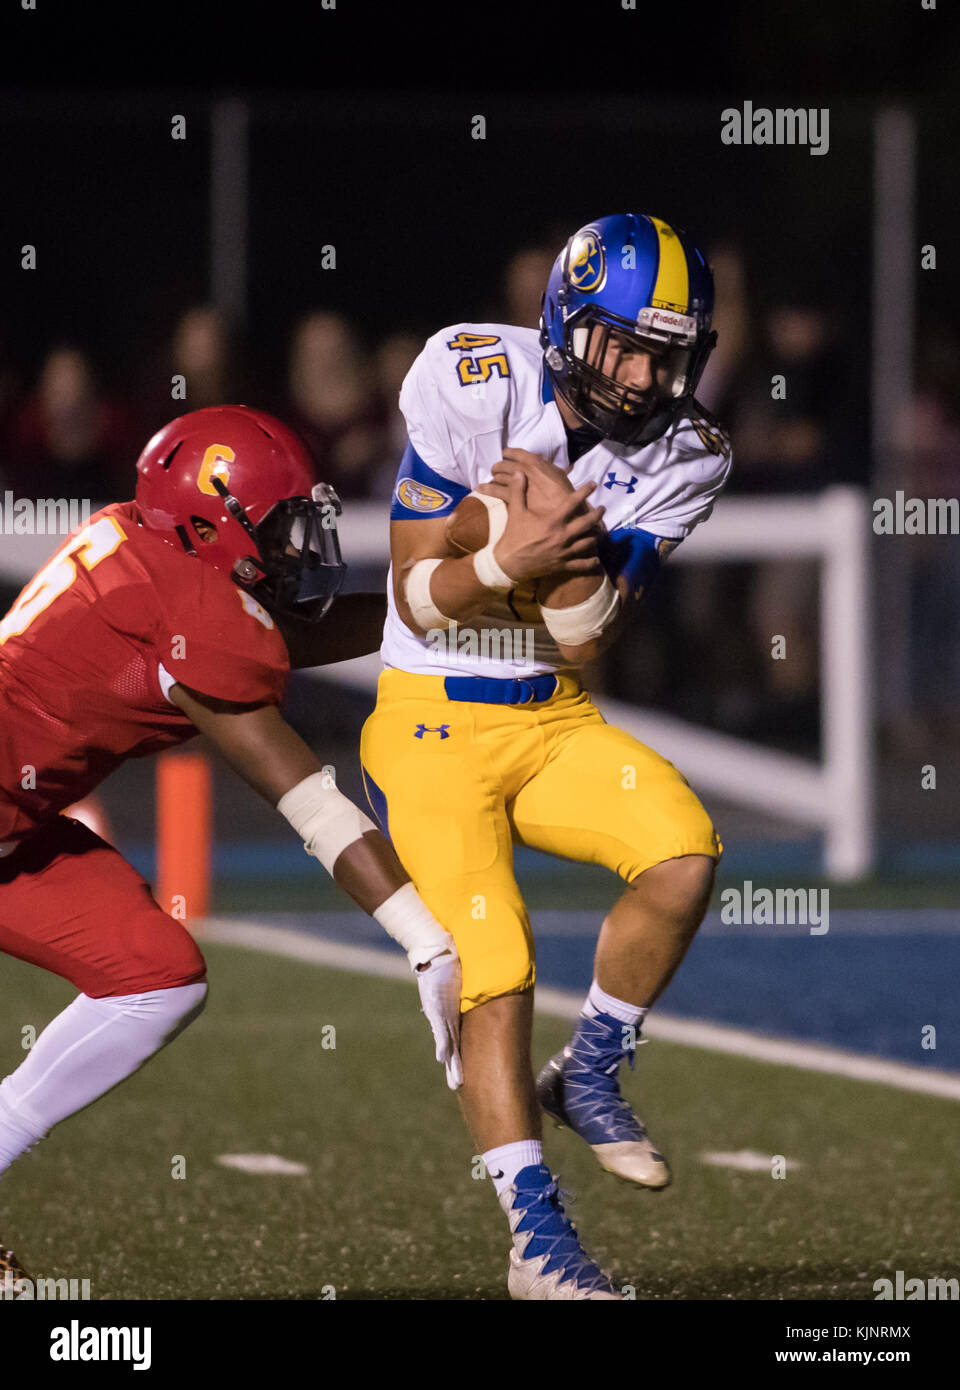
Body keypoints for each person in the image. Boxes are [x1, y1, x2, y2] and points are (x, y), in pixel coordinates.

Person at [0, 406, 462, 1287]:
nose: (300, 549)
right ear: (212, 519)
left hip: (14, 831)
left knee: (154, 974)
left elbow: (275, 637)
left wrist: (444, 605)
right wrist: (426, 939)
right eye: (285, 528)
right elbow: (310, 799)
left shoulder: (140, 545)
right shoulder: (187, 606)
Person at [359, 213, 732, 1299]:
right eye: (630, 343)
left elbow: (591, 635)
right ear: (571, 326)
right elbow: (415, 596)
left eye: (674, 351)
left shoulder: (689, 452)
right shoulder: (473, 376)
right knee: (498, 965)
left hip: (553, 715)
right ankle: (536, 1238)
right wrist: (506, 555)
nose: (652, 373)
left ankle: (598, 1065)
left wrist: (549, 559)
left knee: (683, 853)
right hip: (431, 718)